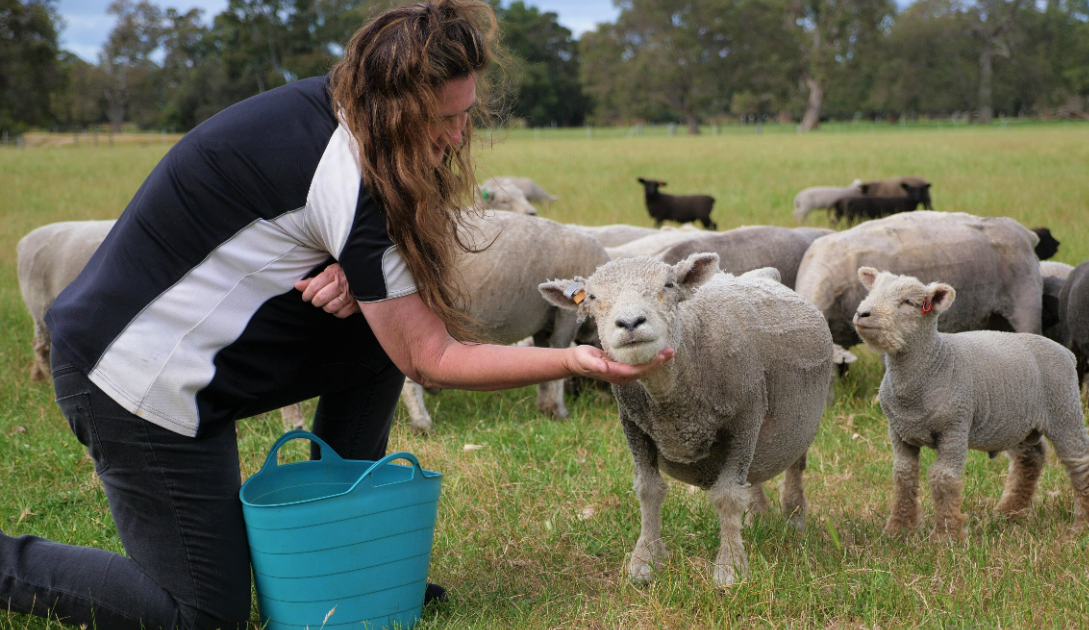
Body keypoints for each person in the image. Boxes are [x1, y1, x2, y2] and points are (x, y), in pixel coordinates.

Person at [0, 2, 671, 628]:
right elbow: (429, 358)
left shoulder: (349, 107)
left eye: (466, 113)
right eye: (444, 119)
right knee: (202, 614)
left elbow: (333, 244)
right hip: (127, 379)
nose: (460, 133)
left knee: (374, 333)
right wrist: (576, 359)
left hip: (187, 354)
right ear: (400, 109)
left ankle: (340, 560)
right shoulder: (353, 177)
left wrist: (356, 275)